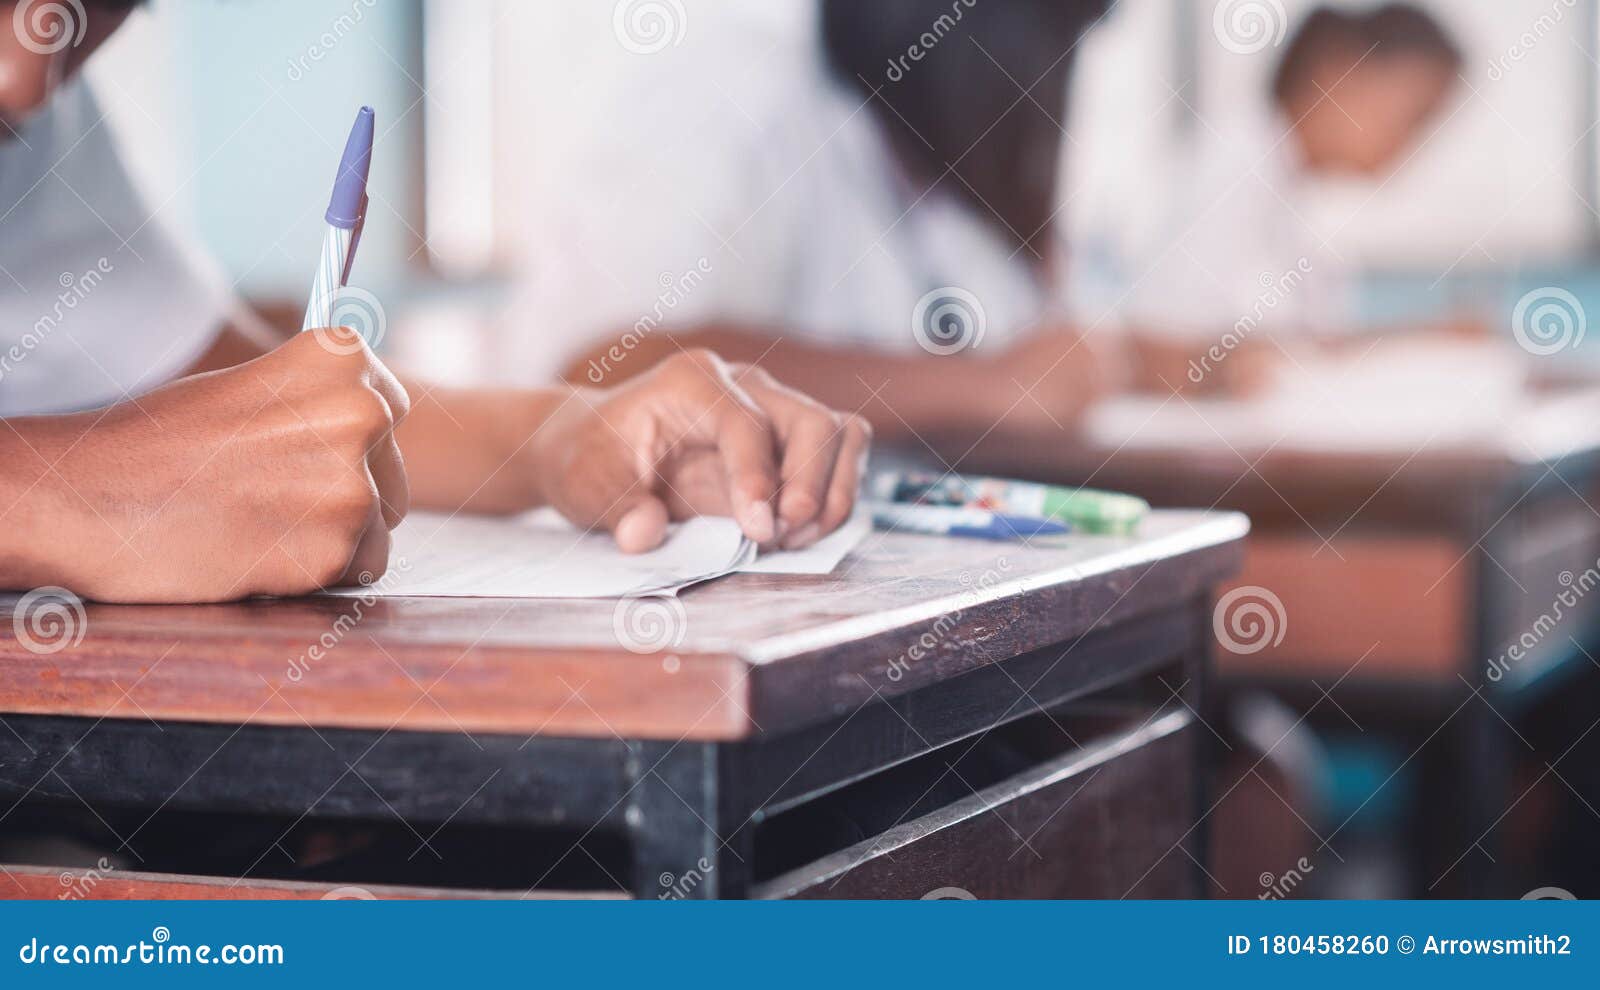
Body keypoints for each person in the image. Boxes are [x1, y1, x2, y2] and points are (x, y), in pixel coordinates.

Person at [0, 0, 869, 604]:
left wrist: (562, 438)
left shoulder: (39, 136)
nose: (25, 84)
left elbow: (234, 396)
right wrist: (60, 494)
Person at [513, 0, 1112, 442]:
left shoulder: (933, 171)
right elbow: (608, 371)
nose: (1046, 94)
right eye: (1049, 48)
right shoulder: (730, 87)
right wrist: (986, 388)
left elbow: (1043, 354)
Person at [1112, 3, 1472, 394]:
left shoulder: (1286, 185)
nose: (1413, 144)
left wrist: (1424, 338)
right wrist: (1223, 371)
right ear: (1339, 70)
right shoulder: (1237, 164)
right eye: (1415, 116)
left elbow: (1309, 349)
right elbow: (1145, 349)